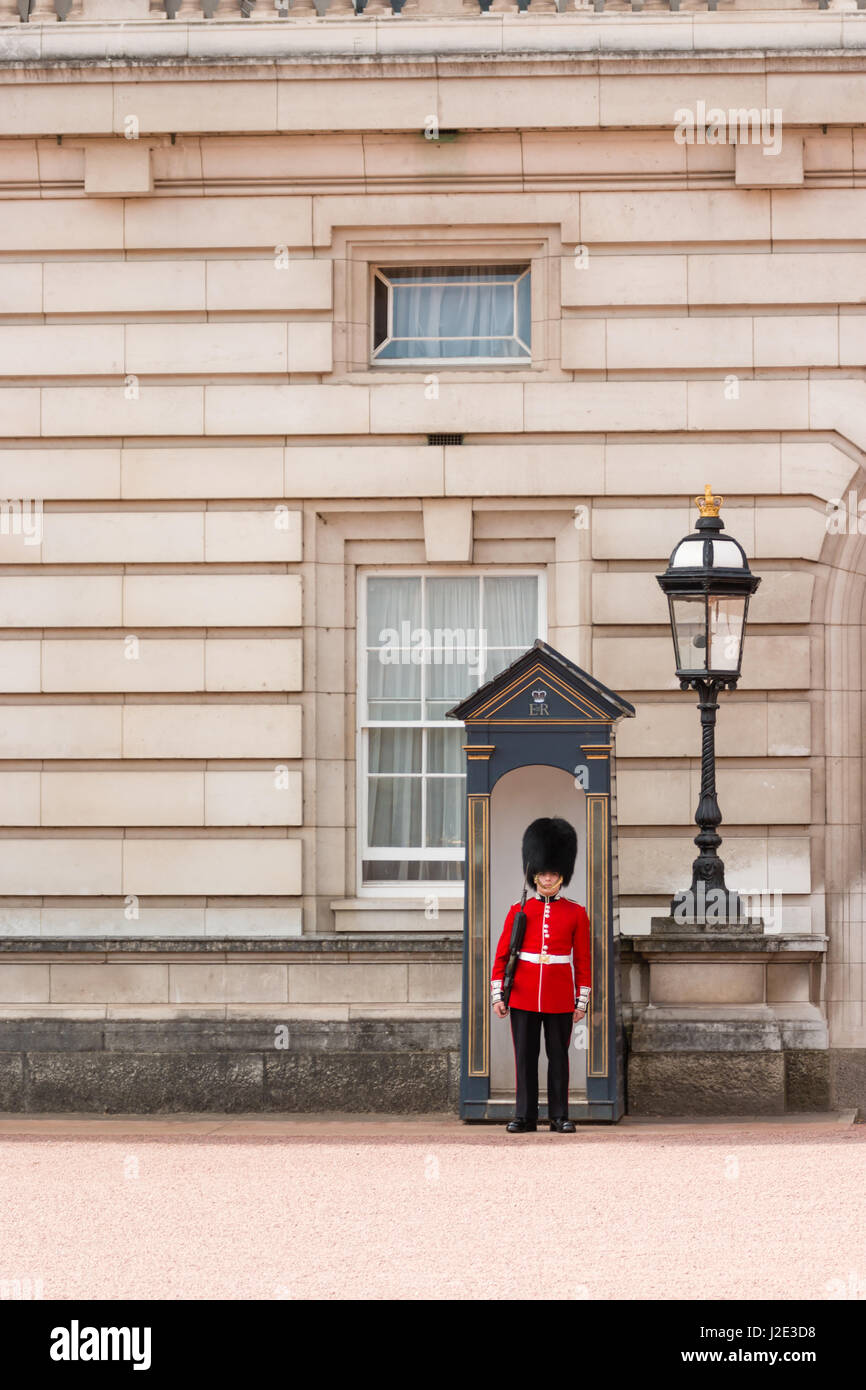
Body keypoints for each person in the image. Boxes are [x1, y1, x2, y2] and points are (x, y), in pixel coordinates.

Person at [491, 816, 591, 1134]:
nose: (547, 879)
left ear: (562, 876)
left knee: (558, 1057)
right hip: (523, 992)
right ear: (534, 874)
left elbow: (584, 961)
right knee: (526, 1057)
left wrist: (582, 1000)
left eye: (553, 873)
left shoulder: (576, 912)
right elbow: (502, 955)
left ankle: (559, 1115)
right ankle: (525, 1115)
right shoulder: (518, 910)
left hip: (560, 995)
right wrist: (499, 994)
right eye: (543, 873)